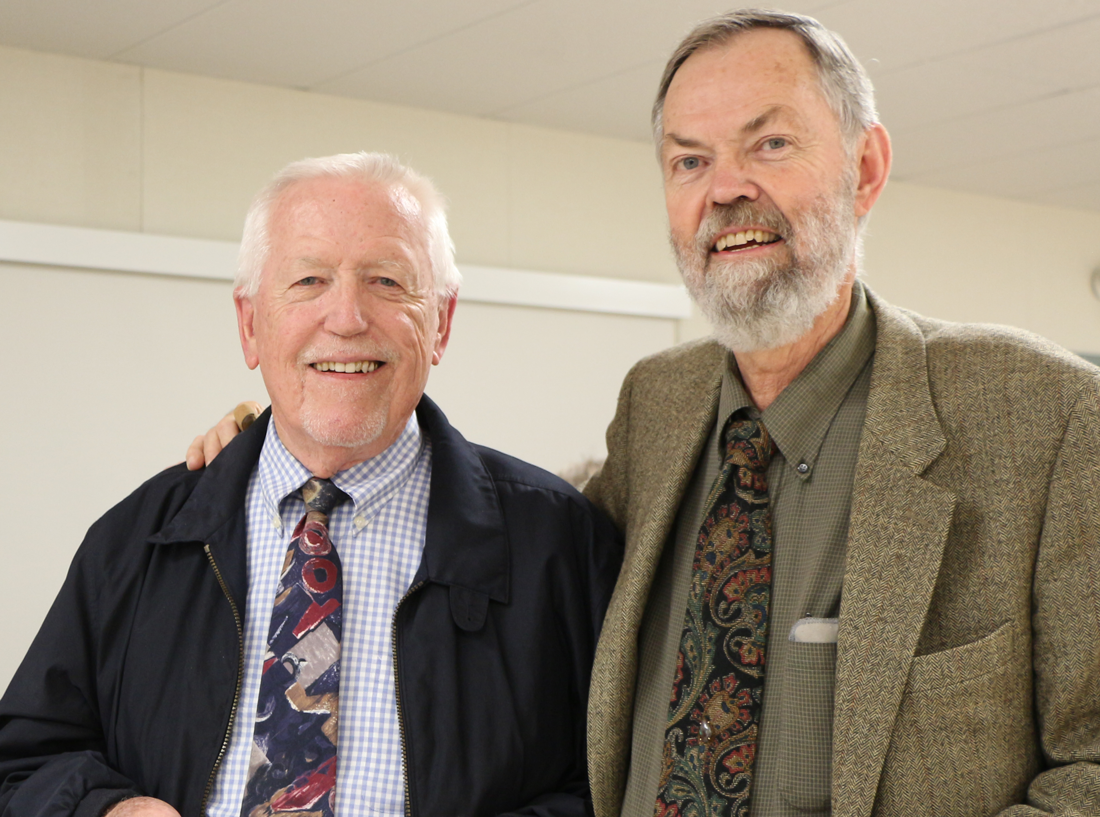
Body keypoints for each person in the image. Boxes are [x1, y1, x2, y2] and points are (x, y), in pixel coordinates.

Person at [184, 11, 1100, 817]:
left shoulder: (1039, 417)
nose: (726, 188)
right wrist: (284, 452)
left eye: (770, 144)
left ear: (865, 168)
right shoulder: (658, 407)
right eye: (689, 160)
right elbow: (510, 530)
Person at [0, 152, 621, 817]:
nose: (348, 316)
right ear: (249, 324)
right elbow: (26, 760)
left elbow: (622, 782)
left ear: (441, 321)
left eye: (387, 280)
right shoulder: (135, 542)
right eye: (309, 280)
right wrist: (105, 810)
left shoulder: (559, 542)